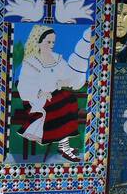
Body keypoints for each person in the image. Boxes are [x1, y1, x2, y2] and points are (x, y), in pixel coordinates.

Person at [15, 25, 89, 162]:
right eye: (48, 42)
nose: (51, 45)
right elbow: (24, 85)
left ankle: (64, 146)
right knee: (61, 106)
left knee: (69, 100)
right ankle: (65, 147)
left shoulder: (57, 58)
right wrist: (40, 92)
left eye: (53, 42)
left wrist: (64, 81)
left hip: (55, 95)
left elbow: (68, 76)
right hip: (36, 99)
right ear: (39, 41)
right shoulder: (31, 62)